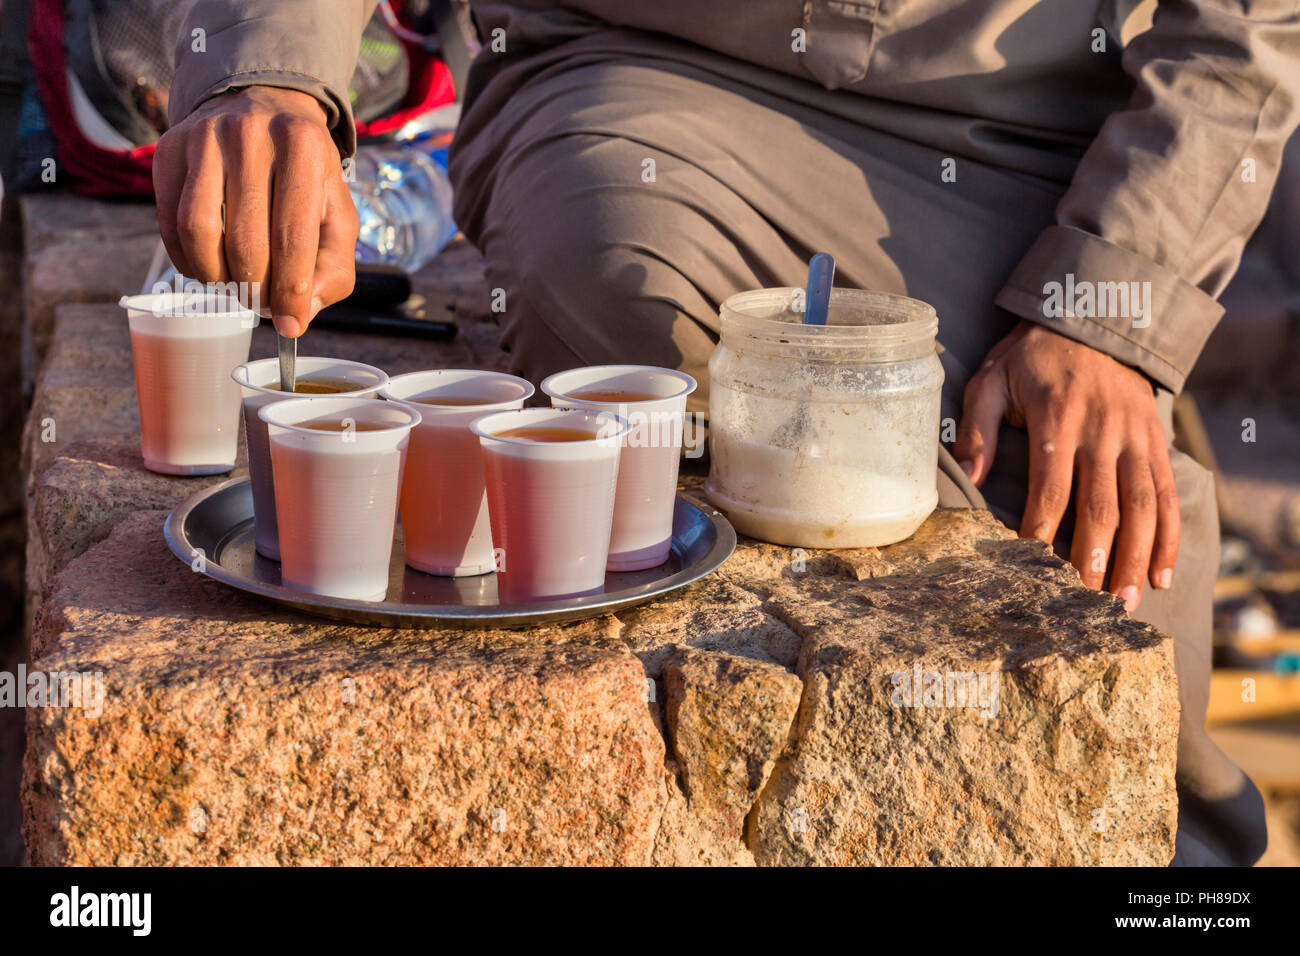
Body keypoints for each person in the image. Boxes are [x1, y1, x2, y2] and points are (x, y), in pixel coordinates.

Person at [154, 0, 1300, 865]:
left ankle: (1176, 841)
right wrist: (266, 71)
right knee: (645, 341)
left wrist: (1111, 302)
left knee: (1066, 492)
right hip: (647, 84)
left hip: (1031, 145)